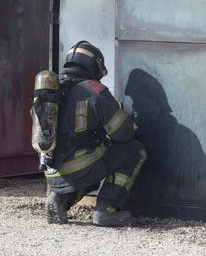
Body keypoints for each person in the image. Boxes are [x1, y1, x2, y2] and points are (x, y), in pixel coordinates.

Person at [44, 40, 146, 227]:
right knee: (135, 151)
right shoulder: (94, 90)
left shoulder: (51, 91)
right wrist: (123, 114)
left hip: (51, 171)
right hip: (82, 166)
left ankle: (59, 199)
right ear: (93, 66)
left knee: (85, 164)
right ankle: (107, 210)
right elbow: (123, 133)